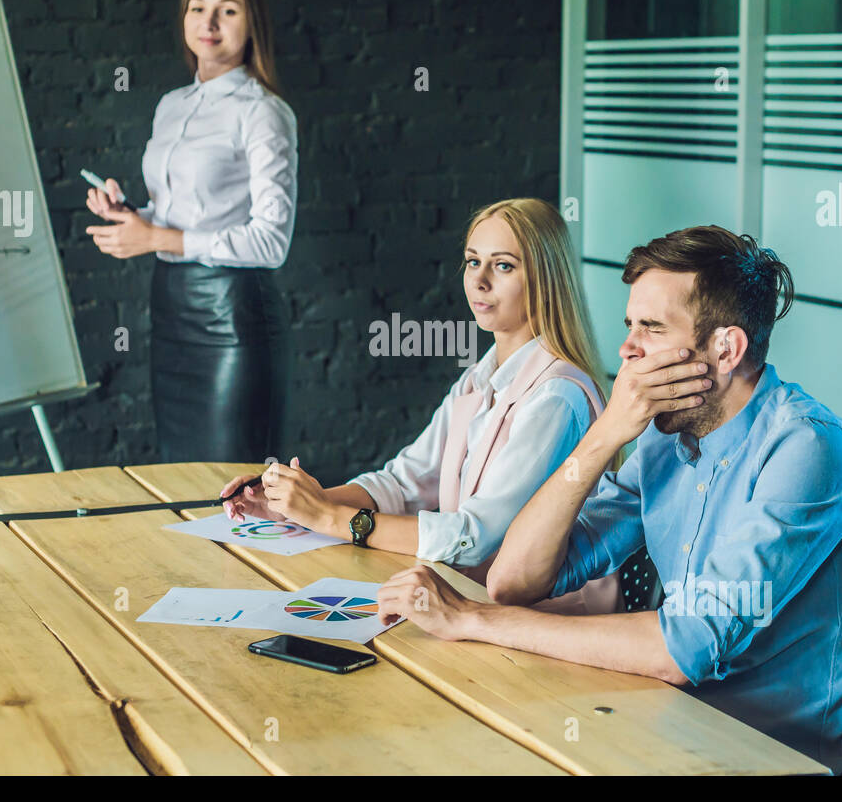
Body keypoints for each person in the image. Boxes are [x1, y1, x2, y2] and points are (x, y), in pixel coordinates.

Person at [376, 225, 842, 773]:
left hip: (764, 754)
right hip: (664, 721)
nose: (627, 349)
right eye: (630, 325)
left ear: (726, 349)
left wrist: (473, 620)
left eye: (651, 327)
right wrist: (603, 437)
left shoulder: (808, 449)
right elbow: (514, 580)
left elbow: (683, 648)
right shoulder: (663, 437)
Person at [221, 198, 624, 613]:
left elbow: (473, 537)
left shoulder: (557, 397)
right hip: (468, 605)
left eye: (503, 265)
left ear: (545, 280)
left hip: (548, 623)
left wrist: (328, 518)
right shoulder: (478, 379)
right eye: (472, 262)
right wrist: (295, 506)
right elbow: (402, 483)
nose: (479, 281)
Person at [85, 0, 296, 463]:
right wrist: (133, 214)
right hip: (172, 306)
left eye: (228, 11)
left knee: (232, 487)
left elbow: (272, 241)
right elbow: (178, 209)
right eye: (198, 9)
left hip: (232, 315)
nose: (209, 23)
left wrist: (156, 239)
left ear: (252, 26)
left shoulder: (262, 112)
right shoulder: (171, 105)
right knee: (180, 476)